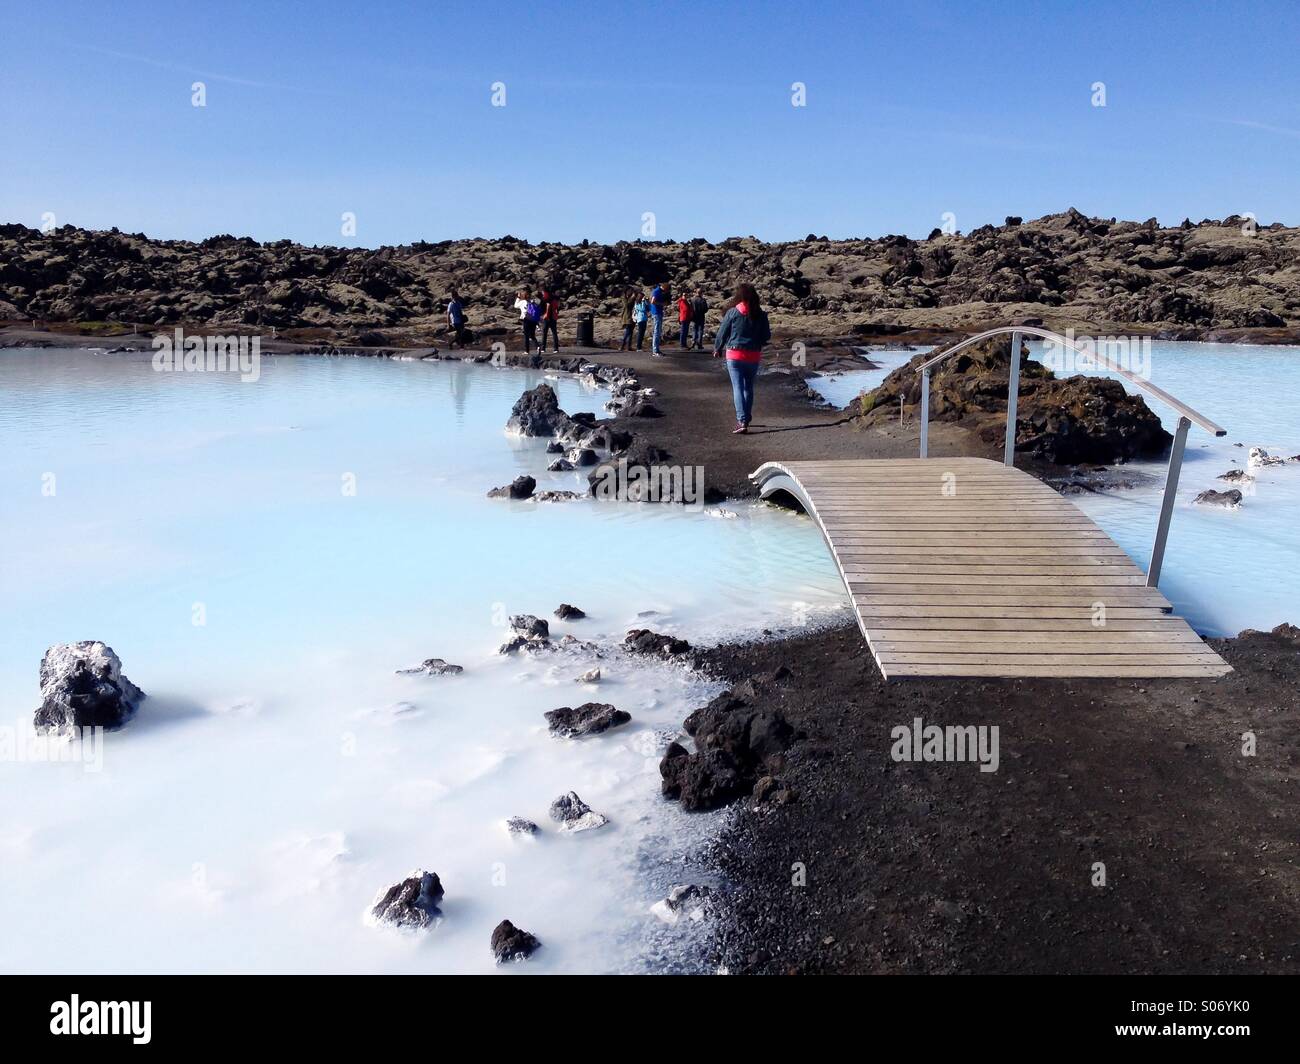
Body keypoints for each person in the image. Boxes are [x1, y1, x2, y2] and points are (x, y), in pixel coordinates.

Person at [712, 283, 771, 434]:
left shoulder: (732, 312)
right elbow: (766, 337)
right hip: (753, 355)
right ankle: (746, 418)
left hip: (735, 355)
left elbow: (722, 332)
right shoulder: (761, 314)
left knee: (737, 387)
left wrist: (717, 348)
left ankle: (742, 420)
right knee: (748, 387)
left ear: (739, 296)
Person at [513, 288, 539, 353]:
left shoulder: (523, 302)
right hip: (534, 320)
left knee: (526, 336)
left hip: (526, 319)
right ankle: (537, 346)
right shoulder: (533, 301)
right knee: (532, 335)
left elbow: (515, 306)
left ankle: (527, 351)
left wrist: (518, 297)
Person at [538, 288, 560, 353]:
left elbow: (541, 308)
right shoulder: (554, 299)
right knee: (554, 333)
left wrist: (542, 316)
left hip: (546, 318)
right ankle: (556, 348)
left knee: (544, 334)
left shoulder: (544, 299)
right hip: (553, 318)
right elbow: (557, 308)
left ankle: (543, 348)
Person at [649, 282, 665, 355]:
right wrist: (662, 304)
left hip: (657, 312)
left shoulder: (657, 291)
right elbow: (652, 301)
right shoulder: (657, 291)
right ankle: (655, 350)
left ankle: (657, 349)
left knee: (658, 331)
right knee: (656, 331)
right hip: (656, 313)